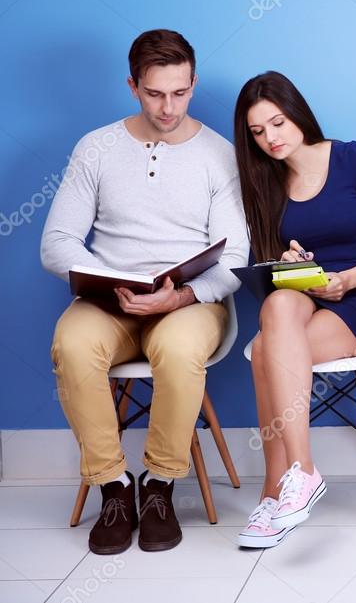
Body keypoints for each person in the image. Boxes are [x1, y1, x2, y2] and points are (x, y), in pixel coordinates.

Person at [41, 29, 249, 554]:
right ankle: (113, 486)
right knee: (72, 345)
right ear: (132, 86)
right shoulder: (96, 147)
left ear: (193, 83)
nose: (168, 107)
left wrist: (179, 296)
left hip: (187, 302)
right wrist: (111, 282)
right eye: (155, 93)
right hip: (109, 301)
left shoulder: (219, 155)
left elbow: (234, 259)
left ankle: (160, 485)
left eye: (180, 93)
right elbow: (57, 242)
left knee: (178, 350)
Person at [232, 71, 356, 547]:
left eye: (277, 123)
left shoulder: (353, 159)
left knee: (266, 352)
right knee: (279, 303)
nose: (270, 138)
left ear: (298, 113)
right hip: (304, 301)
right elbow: (263, 271)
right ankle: (301, 474)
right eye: (257, 132)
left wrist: (347, 279)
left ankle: (277, 490)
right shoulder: (265, 182)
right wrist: (288, 263)